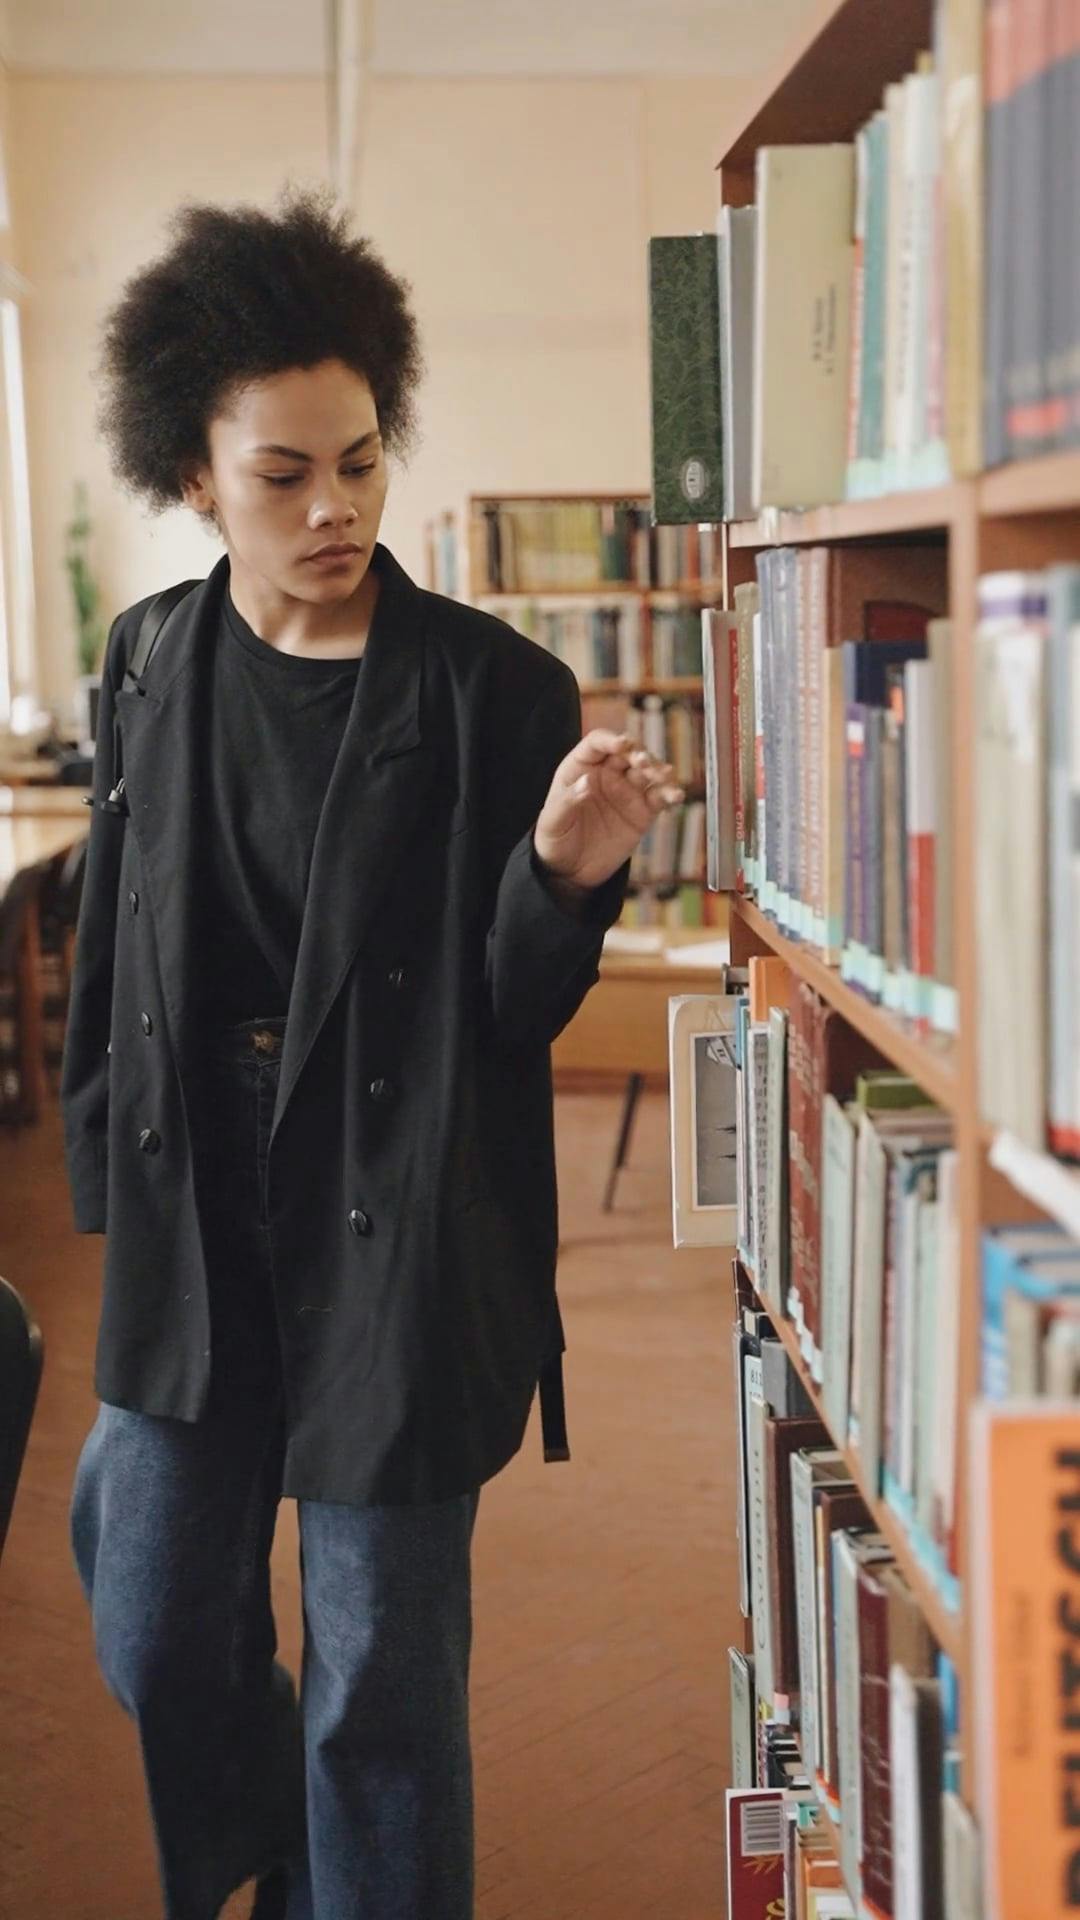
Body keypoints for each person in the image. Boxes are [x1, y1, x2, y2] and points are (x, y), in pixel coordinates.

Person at [59, 186, 685, 1920]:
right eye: (283, 473)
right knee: (153, 1610)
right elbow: (119, 938)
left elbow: (508, 1016)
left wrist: (561, 873)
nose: (333, 507)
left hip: (396, 1210)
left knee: (383, 1679)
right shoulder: (147, 663)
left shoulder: (497, 692)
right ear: (195, 476)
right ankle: (264, 1846)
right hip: (200, 1209)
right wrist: (105, 1176)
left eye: (358, 460)